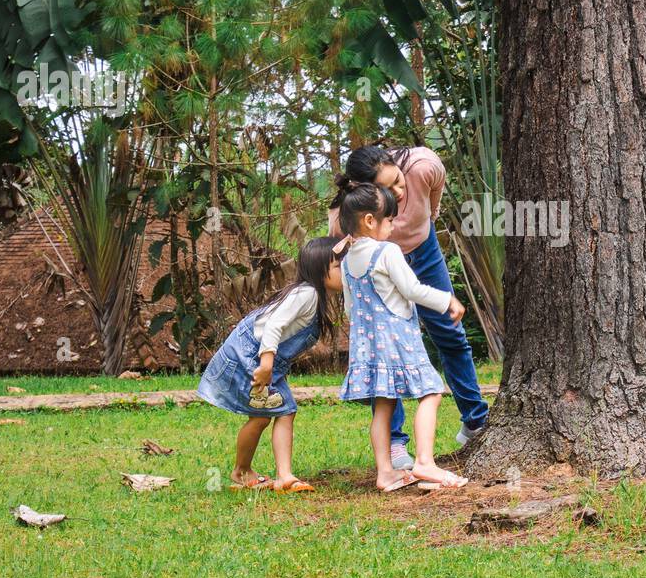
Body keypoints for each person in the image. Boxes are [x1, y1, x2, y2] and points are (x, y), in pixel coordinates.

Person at [329, 145, 488, 470]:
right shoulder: (346, 212)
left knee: (450, 334)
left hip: (423, 249)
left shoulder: (423, 165)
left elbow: (434, 195)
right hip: (380, 262)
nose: (400, 192)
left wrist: (428, 214)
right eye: (389, 190)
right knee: (384, 355)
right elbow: (341, 249)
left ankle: (475, 420)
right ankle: (395, 444)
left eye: (399, 181)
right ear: (364, 192)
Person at [196, 236, 345, 492]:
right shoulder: (307, 293)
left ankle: (254, 472)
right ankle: (270, 474)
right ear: (320, 271)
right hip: (252, 355)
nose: (345, 272)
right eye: (339, 267)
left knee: (265, 415)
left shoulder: (316, 296)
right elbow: (274, 325)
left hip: (265, 357)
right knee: (277, 412)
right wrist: (265, 365)